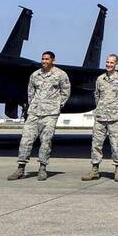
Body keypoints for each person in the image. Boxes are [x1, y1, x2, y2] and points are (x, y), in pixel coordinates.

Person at [11, 51, 70, 181]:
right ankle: (21, 168)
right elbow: (30, 93)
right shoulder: (35, 75)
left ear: (53, 60)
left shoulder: (60, 75)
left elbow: (66, 92)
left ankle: (42, 168)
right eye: (43, 59)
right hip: (34, 112)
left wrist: (57, 106)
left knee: (46, 141)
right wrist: (32, 106)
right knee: (25, 140)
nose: (44, 61)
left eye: (47, 59)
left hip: (50, 113)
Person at [84, 54, 118, 181]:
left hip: (115, 117)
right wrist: (100, 108)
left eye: (111, 63)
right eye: (107, 62)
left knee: (116, 145)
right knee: (96, 144)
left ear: (116, 64)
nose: (109, 65)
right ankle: (95, 170)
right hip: (100, 117)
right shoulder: (100, 79)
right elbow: (97, 95)